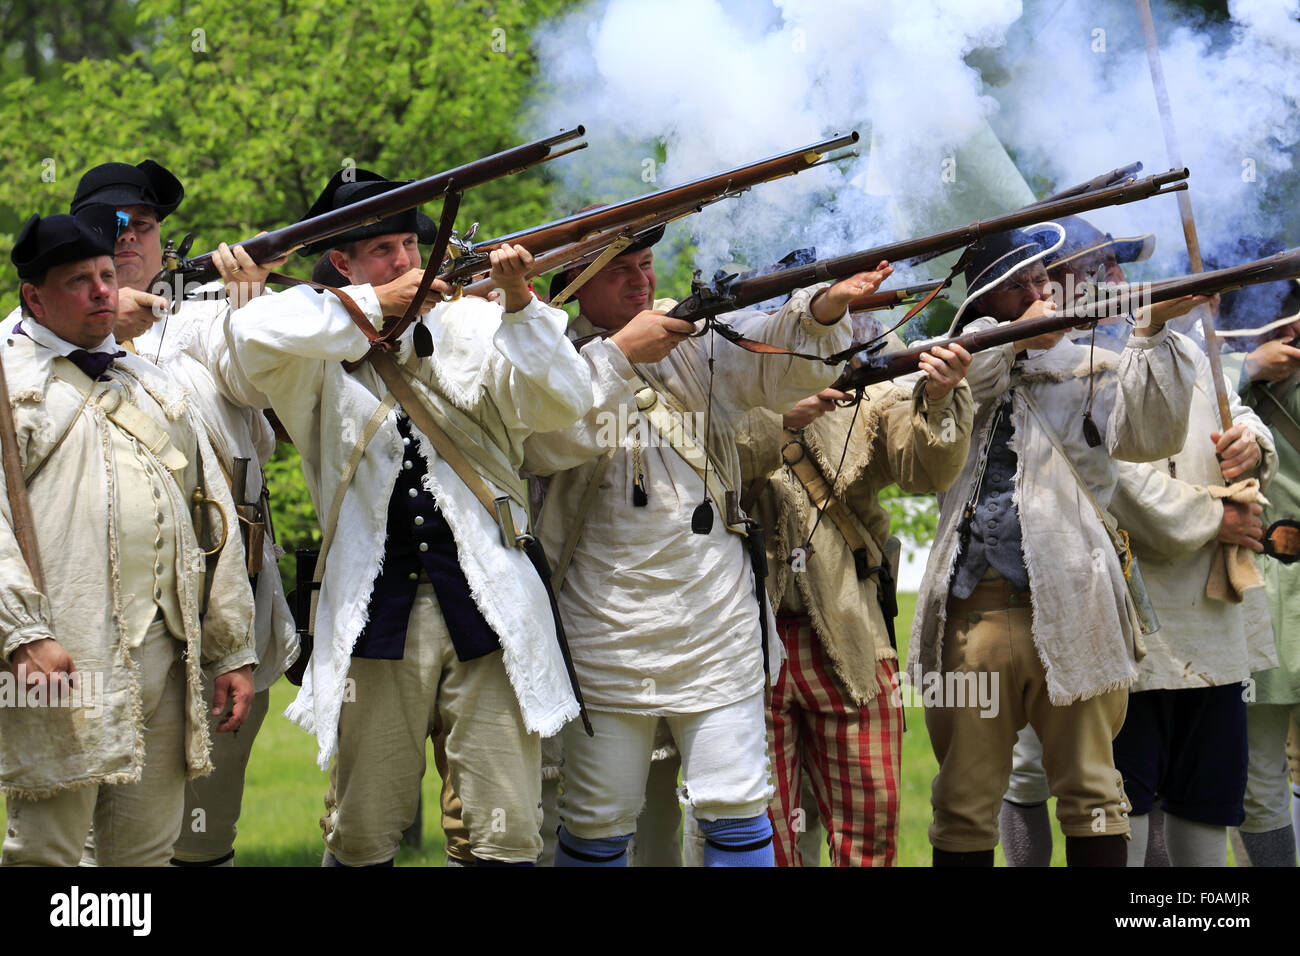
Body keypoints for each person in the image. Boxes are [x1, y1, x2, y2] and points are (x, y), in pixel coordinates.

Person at [211, 167, 595, 866]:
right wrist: (369, 306)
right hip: (376, 611)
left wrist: (519, 304)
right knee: (362, 829)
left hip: (489, 606)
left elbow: (566, 404)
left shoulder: (474, 322)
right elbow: (246, 339)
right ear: (343, 264)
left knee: (504, 828)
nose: (404, 262)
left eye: (408, 247)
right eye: (381, 251)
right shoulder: (319, 345)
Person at [523, 227, 888, 866]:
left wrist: (824, 310)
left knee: (736, 802)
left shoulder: (690, 342)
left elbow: (772, 367)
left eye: (645, 264)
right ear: (575, 287)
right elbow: (548, 439)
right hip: (602, 625)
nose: (642, 280)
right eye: (621, 271)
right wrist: (617, 355)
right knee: (598, 813)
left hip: (713, 619)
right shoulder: (546, 355)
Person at [909, 225, 1197, 867]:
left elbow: (1150, 436)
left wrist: (1150, 333)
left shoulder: (1094, 361)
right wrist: (1016, 343)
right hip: (971, 614)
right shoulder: (952, 359)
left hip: (1077, 607)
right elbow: (931, 408)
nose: (1043, 293)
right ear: (986, 298)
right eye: (1024, 284)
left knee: (1094, 794)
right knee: (962, 801)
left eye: (1045, 280)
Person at [0, 206, 256, 866]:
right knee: (47, 852)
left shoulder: (153, 381)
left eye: (108, 275)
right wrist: (23, 634)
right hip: (64, 653)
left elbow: (212, 515)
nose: (101, 292)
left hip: (167, 658)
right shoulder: (11, 387)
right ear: (34, 297)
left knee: (144, 854)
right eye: (79, 280)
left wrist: (230, 649)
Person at [65, 159, 299, 867]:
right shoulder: (37, 333)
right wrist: (104, 333)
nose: (128, 239)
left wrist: (250, 304)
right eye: (111, 229)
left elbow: (260, 377)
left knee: (202, 837)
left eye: (142, 226)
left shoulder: (206, 322)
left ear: (164, 239)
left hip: (221, 619)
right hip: (92, 626)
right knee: (80, 843)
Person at [735, 337, 974, 865]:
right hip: (745, 640)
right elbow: (710, 446)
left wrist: (938, 394)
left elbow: (928, 472)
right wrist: (779, 418)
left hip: (851, 631)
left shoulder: (872, 363)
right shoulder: (729, 358)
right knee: (758, 835)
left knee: (868, 833)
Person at [1221, 276, 1300, 866]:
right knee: (1258, 781)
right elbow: (1186, 395)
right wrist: (1248, 365)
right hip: (1268, 589)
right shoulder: (1224, 369)